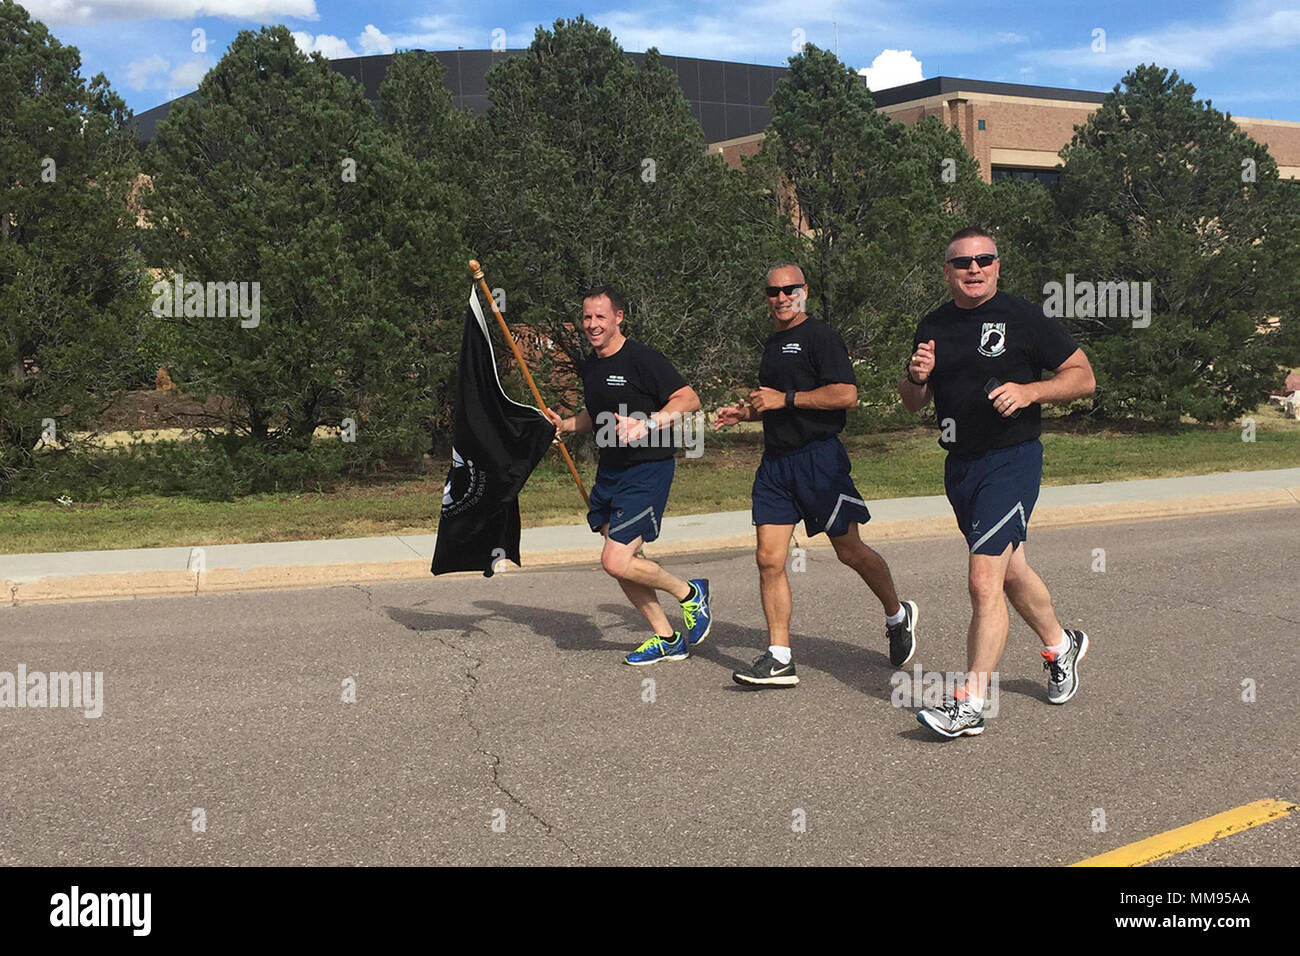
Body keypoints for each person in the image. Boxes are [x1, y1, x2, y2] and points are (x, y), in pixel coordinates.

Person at [900, 225, 1096, 738]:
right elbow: (912, 402)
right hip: (961, 465)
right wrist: (917, 376)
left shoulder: (1024, 316)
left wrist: (1031, 391)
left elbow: (1083, 376)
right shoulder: (934, 323)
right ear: (946, 271)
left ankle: (971, 703)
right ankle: (1060, 644)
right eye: (962, 262)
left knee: (982, 579)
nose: (974, 269)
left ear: (997, 266)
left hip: (1012, 459)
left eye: (984, 260)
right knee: (1011, 571)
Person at [714, 264, 917, 687]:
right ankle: (780, 656)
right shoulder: (772, 344)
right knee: (769, 558)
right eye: (774, 291)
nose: (782, 297)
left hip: (819, 460)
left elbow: (847, 394)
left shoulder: (820, 337)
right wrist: (745, 413)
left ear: (804, 291)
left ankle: (898, 614)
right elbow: (773, 402)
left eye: (790, 289)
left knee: (849, 551)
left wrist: (784, 398)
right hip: (776, 464)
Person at [547, 286, 711, 665]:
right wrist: (567, 425)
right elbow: (597, 414)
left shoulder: (642, 359)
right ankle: (667, 638)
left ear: (618, 318)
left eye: (600, 317)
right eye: (587, 317)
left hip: (647, 468)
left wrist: (648, 424)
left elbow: (688, 399)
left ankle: (691, 593)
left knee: (615, 560)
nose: (592, 325)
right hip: (612, 471)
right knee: (620, 560)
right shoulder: (592, 364)